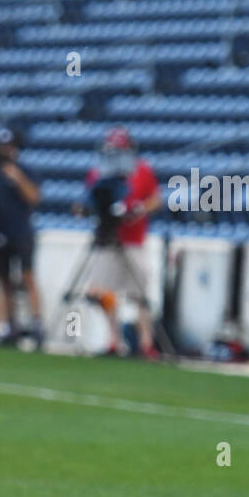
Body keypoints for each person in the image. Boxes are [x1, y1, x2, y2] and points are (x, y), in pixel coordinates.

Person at [75, 127, 161, 358]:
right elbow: (87, 201)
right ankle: (114, 340)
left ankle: (146, 343)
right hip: (106, 238)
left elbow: (155, 199)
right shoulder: (97, 172)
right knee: (103, 291)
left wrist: (138, 209)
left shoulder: (142, 170)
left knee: (139, 293)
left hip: (133, 239)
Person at [0, 127, 43, 347]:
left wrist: (17, 178)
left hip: (21, 232)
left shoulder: (25, 170)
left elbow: (34, 198)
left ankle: (37, 325)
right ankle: (10, 325)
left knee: (27, 277)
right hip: (0, 232)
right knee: (4, 281)